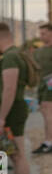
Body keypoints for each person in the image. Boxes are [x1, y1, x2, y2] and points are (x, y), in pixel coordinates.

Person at [0, 22, 37, 174]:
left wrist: (1, 119)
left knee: (18, 155)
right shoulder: (14, 55)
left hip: (13, 110)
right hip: (14, 108)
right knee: (14, 155)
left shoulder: (10, 58)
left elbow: (9, 88)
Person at [33, 23, 52, 154]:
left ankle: (49, 142)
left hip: (50, 84)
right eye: (40, 33)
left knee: (48, 112)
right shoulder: (38, 51)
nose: (41, 36)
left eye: (44, 33)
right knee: (45, 113)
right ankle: (48, 141)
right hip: (41, 85)